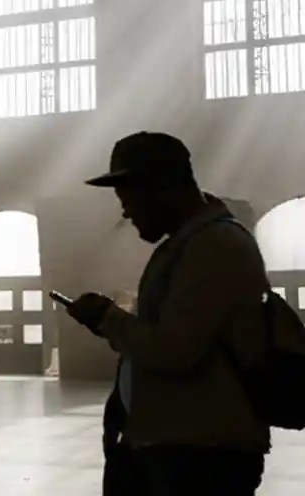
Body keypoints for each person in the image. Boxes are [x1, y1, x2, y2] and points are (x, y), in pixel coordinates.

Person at [67, 131, 270, 495]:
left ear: (165, 186)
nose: (126, 212)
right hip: (171, 445)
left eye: (128, 197)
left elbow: (174, 350)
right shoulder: (186, 245)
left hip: (200, 456)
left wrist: (108, 319)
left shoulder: (215, 246)